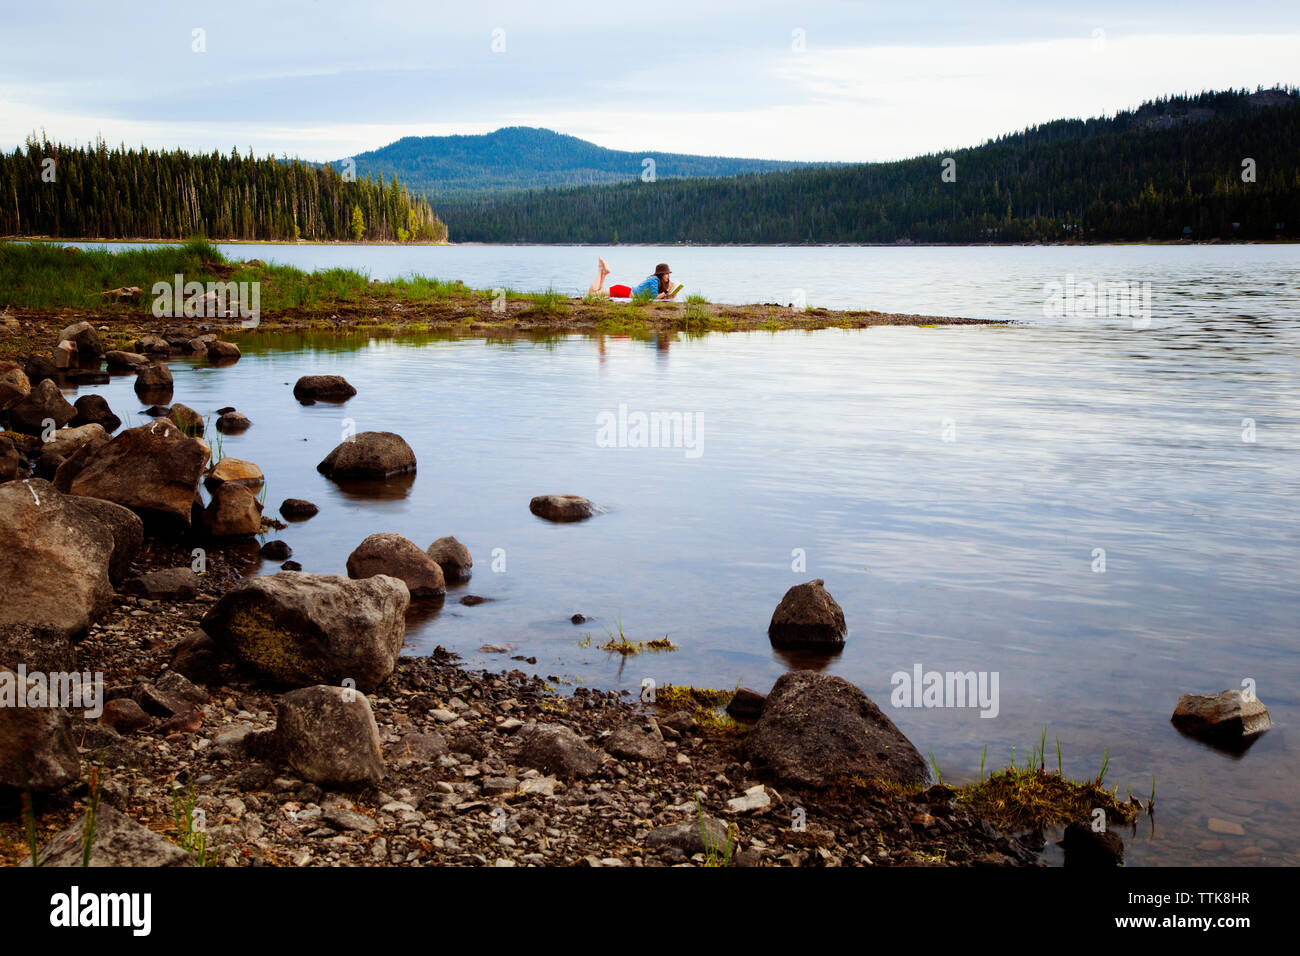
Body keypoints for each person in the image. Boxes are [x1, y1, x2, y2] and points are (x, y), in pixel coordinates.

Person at [588, 258, 677, 299]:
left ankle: (604, 273)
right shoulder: (655, 280)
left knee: (597, 291)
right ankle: (600, 269)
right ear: (661, 274)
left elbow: (661, 297)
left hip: (625, 291)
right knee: (591, 294)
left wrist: (671, 293)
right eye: (666, 274)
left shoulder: (657, 281)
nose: (668, 276)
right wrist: (666, 291)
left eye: (668, 274)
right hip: (623, 292)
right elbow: (655, 297)